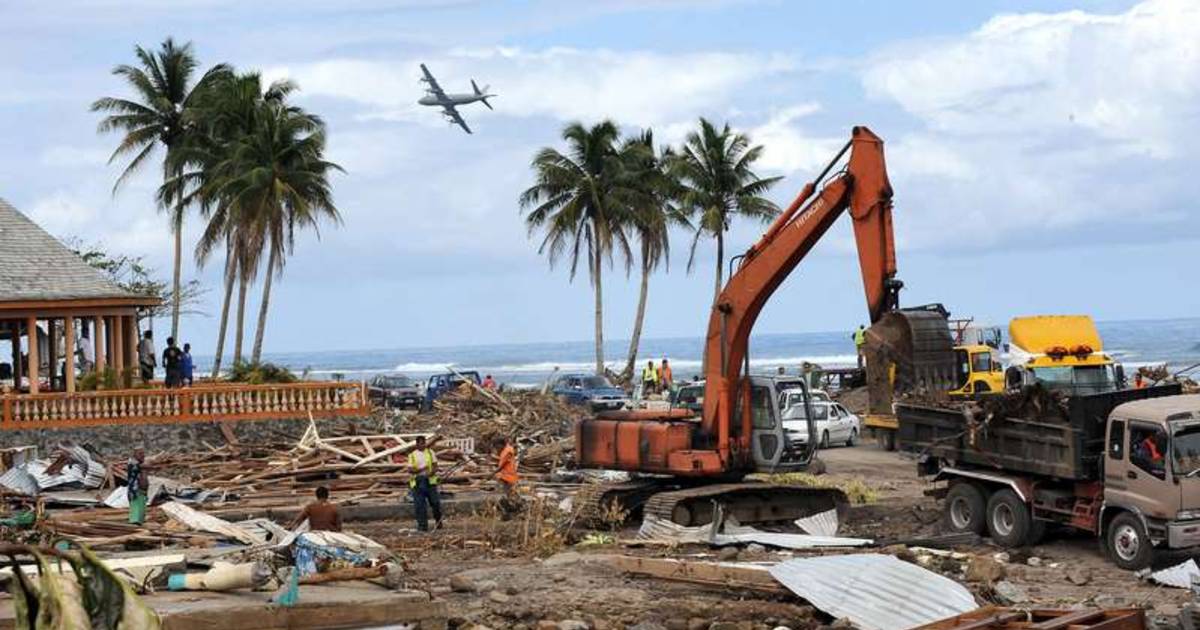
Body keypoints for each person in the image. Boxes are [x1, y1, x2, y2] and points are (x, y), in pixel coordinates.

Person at [408, 435, 442, 532]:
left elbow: (435, 466)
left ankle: (438, 521)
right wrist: (422, 469)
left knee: (435, 503)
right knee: (420, 505)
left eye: (424, 443)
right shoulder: (412, 455)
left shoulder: (430, 452)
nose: (423, 445)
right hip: (418, 482)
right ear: (417, 444)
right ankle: (422, 526)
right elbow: (410, 470)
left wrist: (431, 473)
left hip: (430, 481)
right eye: (420, 444)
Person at [127, 448, 149, 525]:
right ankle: (135, 525)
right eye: (140, 453)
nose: (143, 455)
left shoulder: (139, 463)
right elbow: (144, 466)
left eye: (143, 453)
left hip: (141, 491)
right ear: (134, 455)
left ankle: (139, 524)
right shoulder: (133, 463)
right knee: (136, 512)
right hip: (135, 491)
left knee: (141, 510)